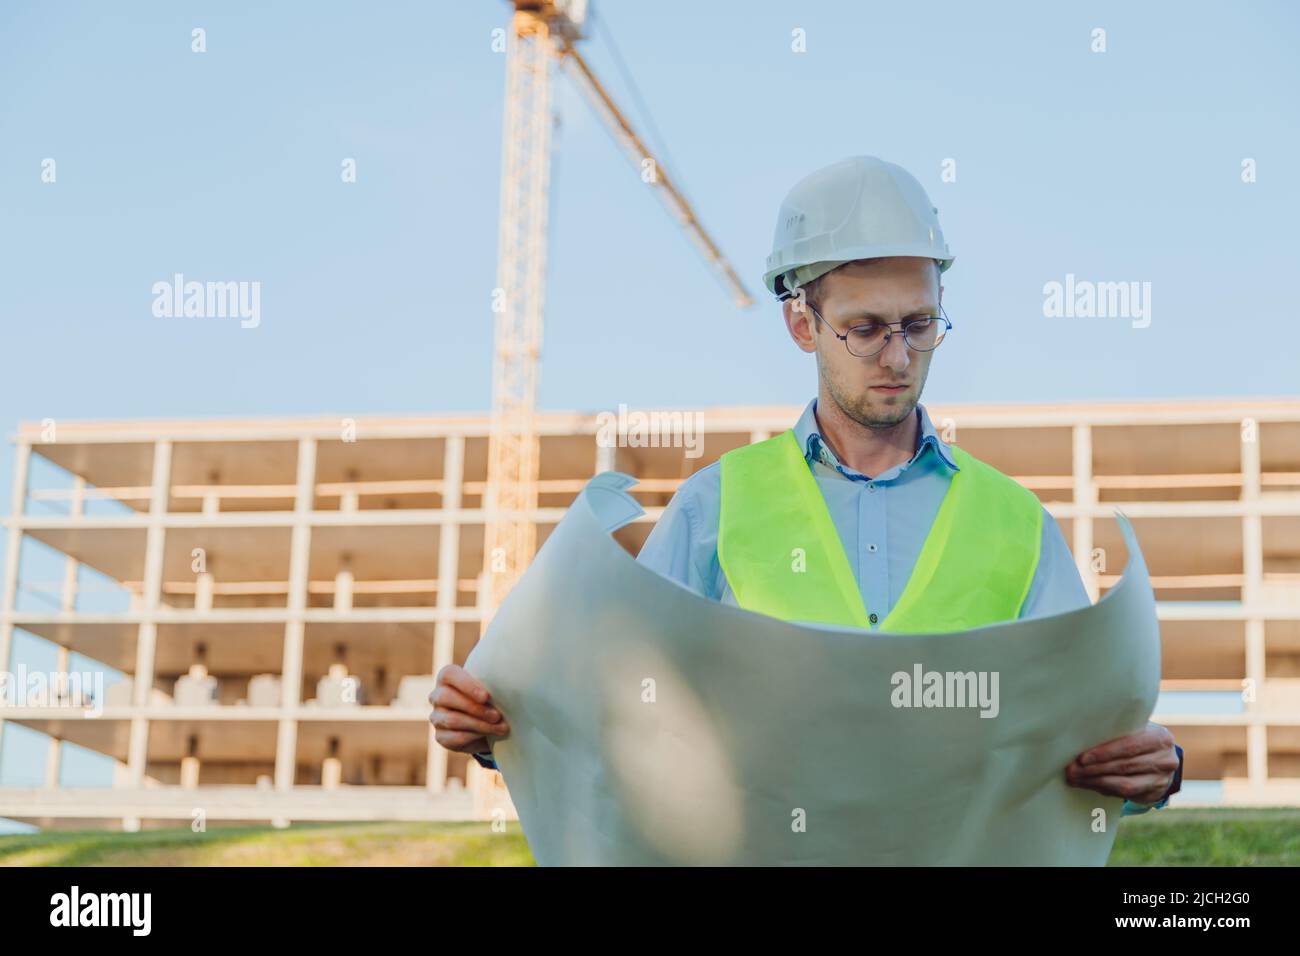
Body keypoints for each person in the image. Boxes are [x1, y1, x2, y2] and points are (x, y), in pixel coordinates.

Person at [431, 155, 1183, 816]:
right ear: (802, 325)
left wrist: (1157, 769)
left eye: (921, 324)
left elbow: (1086, 738)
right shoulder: (714, 505)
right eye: (866, 328)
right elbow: (622, 715)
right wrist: (501, 732)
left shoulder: (1016, 522)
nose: (898, 355)